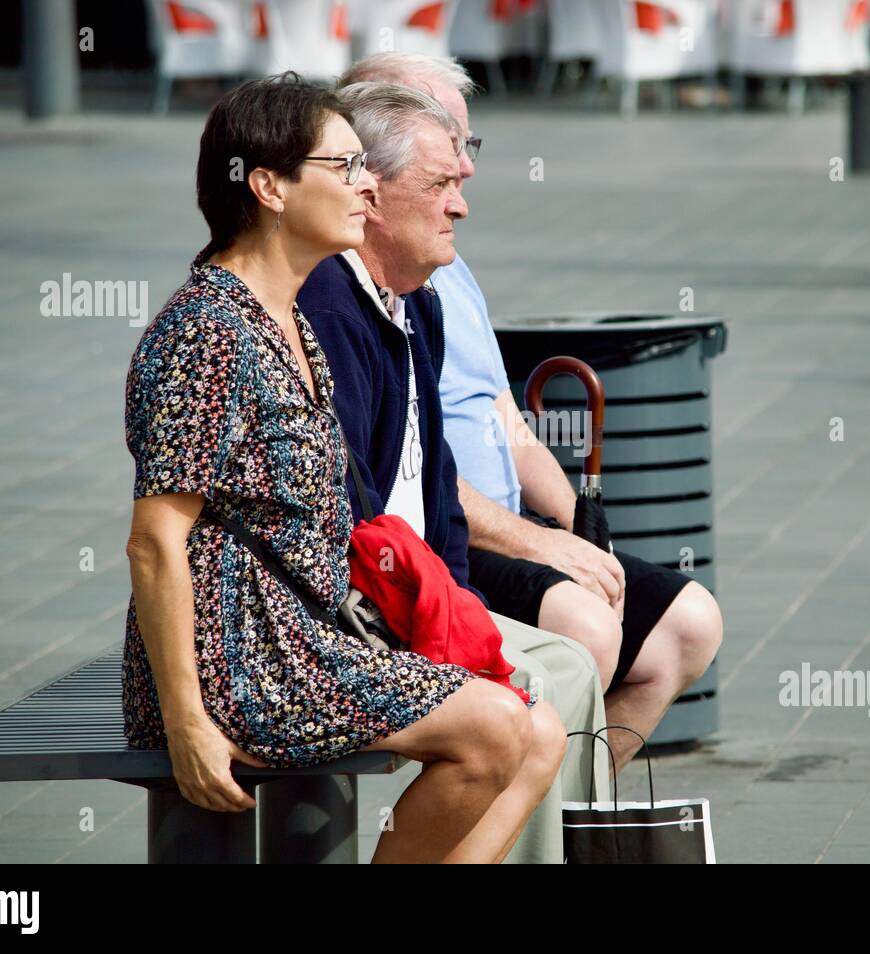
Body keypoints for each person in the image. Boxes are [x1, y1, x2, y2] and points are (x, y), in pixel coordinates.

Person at [122, 73, 565, 864]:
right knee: (498, 727)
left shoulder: (287, 318)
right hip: (244, 660)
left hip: (307, 638)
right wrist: (187, 722)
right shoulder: (210, 332)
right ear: (268, 187)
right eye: (344, 167)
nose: (367, 186)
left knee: (539, 731)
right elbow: (155, 543)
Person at [336, 53, 724, 773]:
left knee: (689, 624)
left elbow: (502, 412)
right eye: (450, 146)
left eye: (467, 144)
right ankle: (534, 814)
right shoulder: (364, 288)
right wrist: (536, 546)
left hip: (500, 531)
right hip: (459, 541)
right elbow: (403, 474)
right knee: (586, 632)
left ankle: (574, 819)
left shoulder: (438, 271)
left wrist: (579, 525)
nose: (468, 172)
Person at [296, 82, 610, 863]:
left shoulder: (418, 302)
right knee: (538, 696)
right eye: (440, 185)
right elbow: (348, 518)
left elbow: (436, 488)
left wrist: (461, 603)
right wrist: (451, 622)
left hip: (422, 594)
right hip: (366, 614)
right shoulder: (332, 307)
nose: (459, 207)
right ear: (370, 194)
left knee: (571, 666)